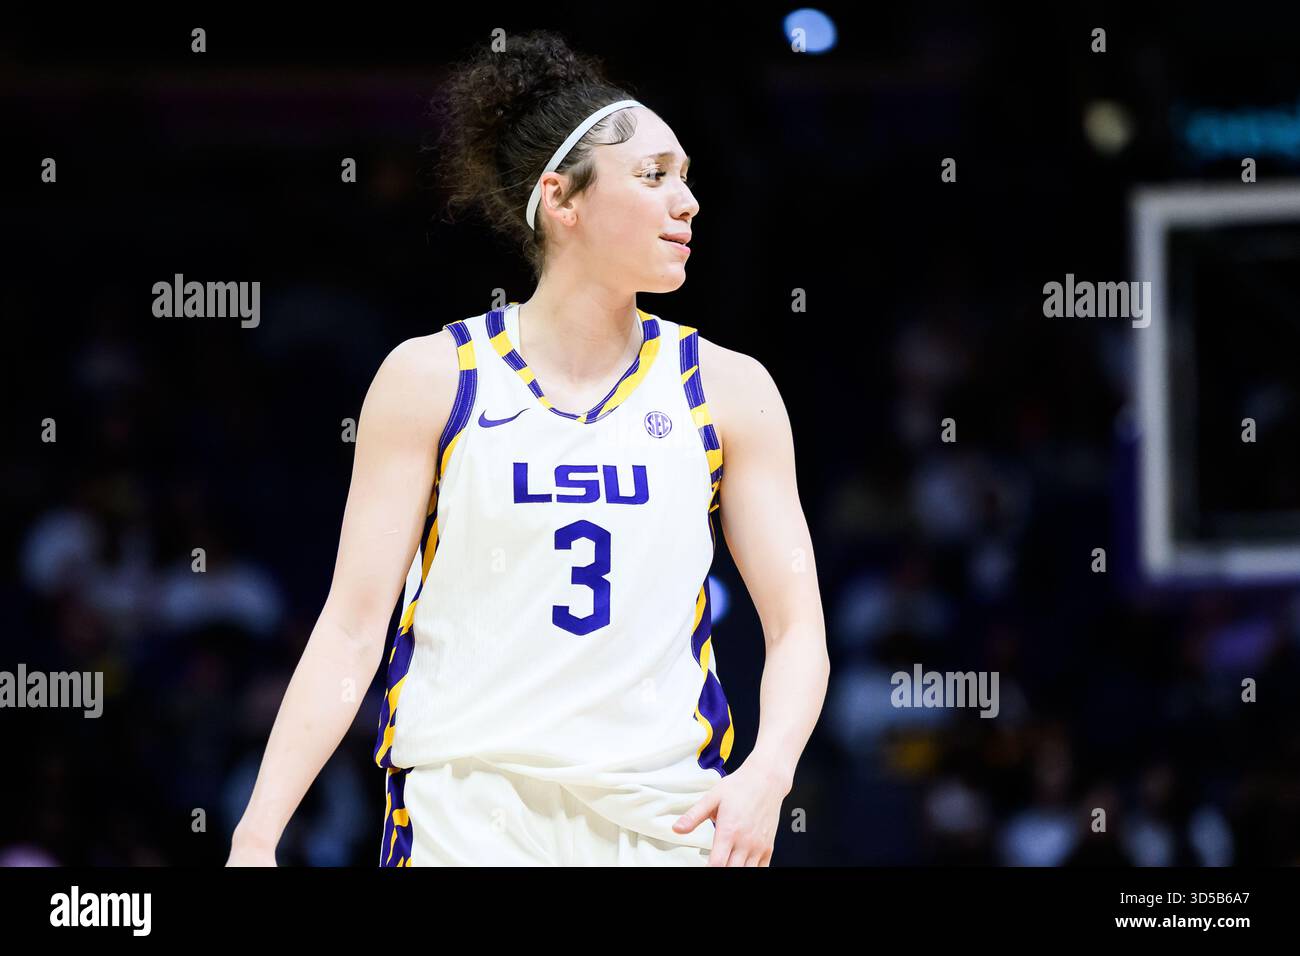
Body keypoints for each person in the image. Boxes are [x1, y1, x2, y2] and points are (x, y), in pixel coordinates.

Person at [227, 29, 828, 867]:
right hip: (468, 814)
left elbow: (798, 626)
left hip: (665, 815)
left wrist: (769, 772)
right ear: (562, 199)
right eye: (654, 177)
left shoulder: (729, 389)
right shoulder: (432, 377)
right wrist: (257, 833)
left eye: (687, 178)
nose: (686, 202)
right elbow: (352, 629)